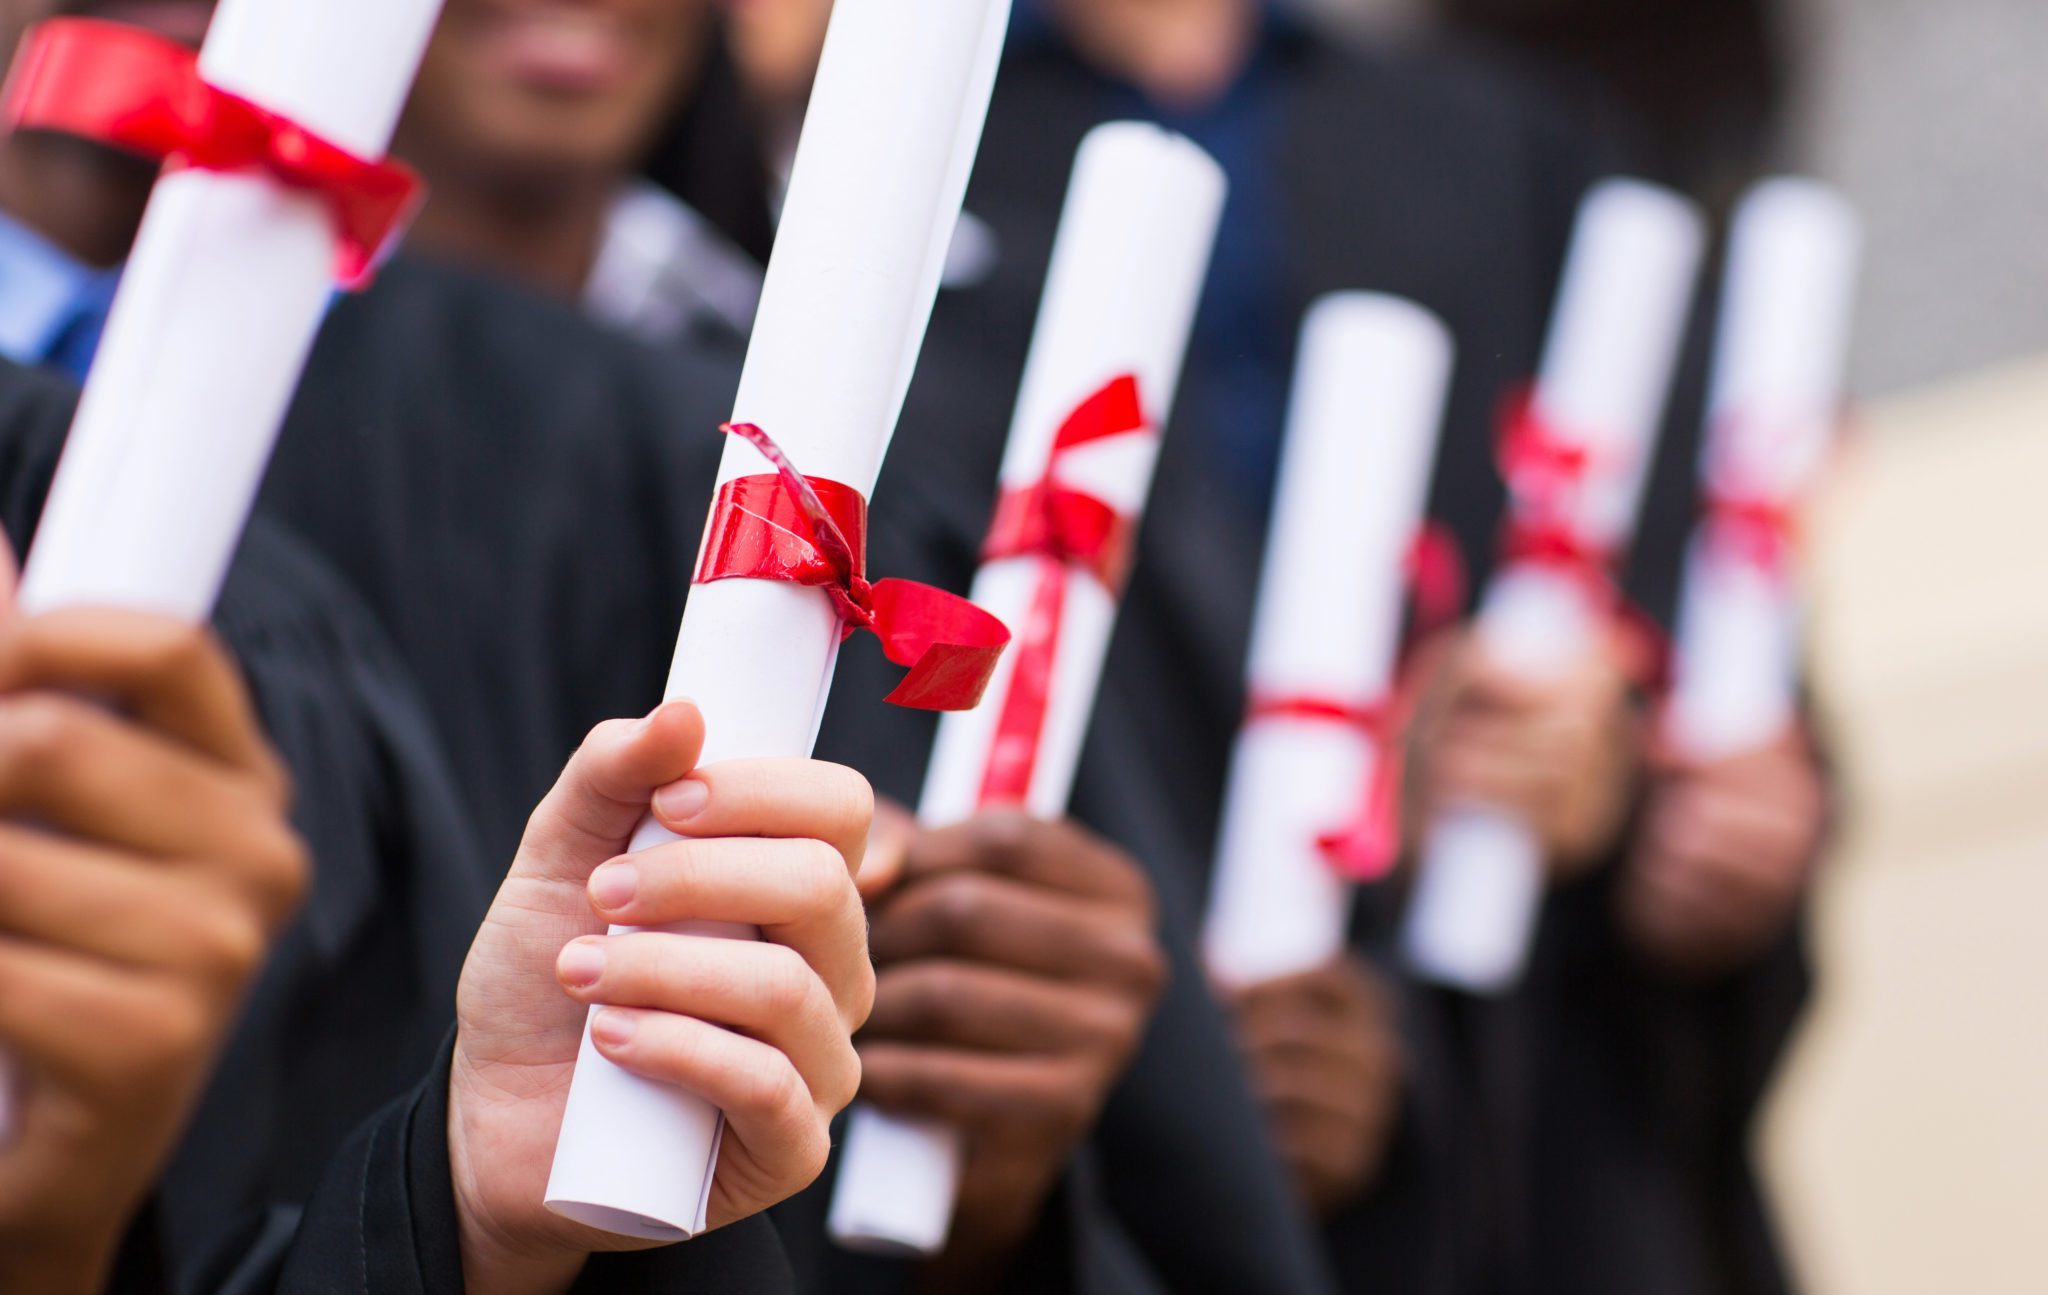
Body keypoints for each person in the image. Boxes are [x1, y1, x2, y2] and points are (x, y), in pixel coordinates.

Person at [827, 0, 1829, 1291]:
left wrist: (1662, 793)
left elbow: (1707, 639)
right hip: (1125, 1135)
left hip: (1551, 1150)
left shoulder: (1503, 141)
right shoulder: (900, 156)